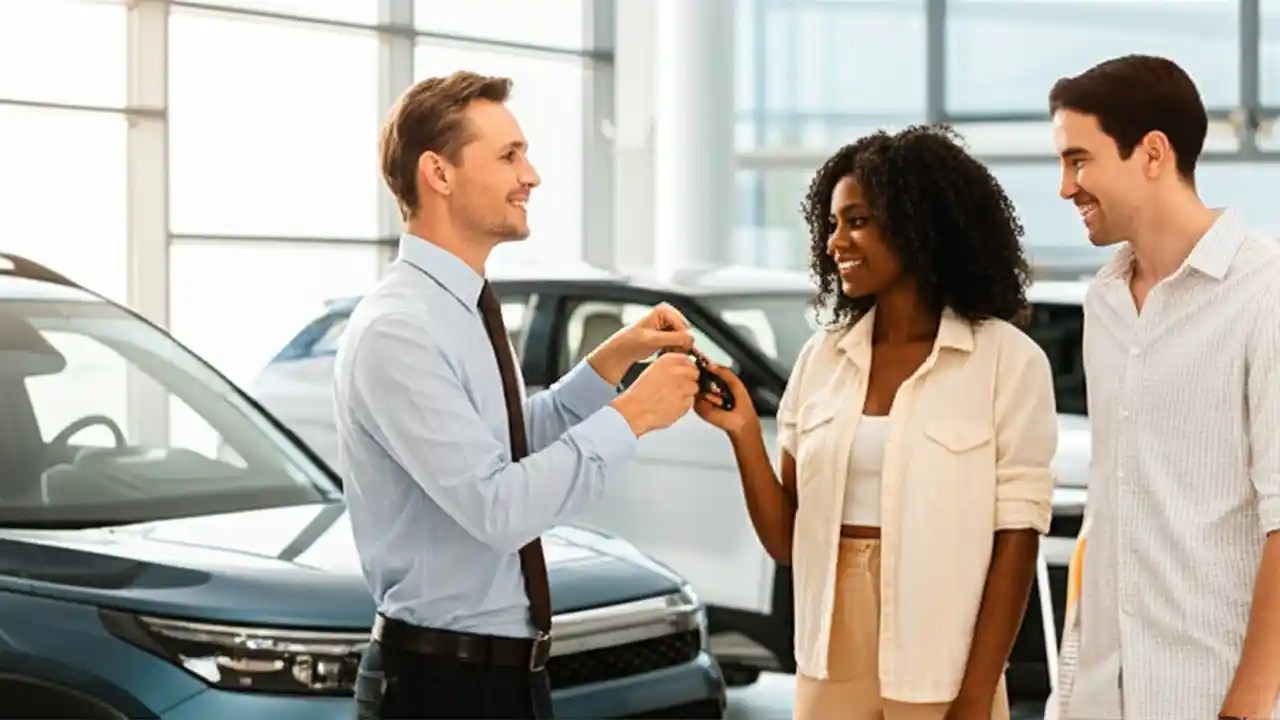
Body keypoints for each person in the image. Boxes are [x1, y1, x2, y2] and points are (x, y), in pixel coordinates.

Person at [334, 70, 701, 719]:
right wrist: (634, 415)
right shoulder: (399, 330)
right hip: (441, 687)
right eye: (509, 155)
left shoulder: (463, 306)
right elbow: (498, 508)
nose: (531, 176)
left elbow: (506, 444)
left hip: (501, 679)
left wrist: (611, 361)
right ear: (438, 174)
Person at [695, 125, 1059, 720]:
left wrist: (975, 696)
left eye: (857, 220)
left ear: (921, 225)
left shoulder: (1007, 361)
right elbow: (788, 542)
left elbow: (1015, 546)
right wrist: (741, 434)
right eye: (832, 223)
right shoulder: (822, 359)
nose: (836, 240)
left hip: (941, 654)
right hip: (829, 656)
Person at [1046, 54, 1280, 720]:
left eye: (1079, 160)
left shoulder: (1266, 293)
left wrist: (1250, 703)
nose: (1066, 187)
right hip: (1099, 693)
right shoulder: (1103, 302)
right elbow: (1110, 508)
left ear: (1152, 153)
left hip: (1208, 693)